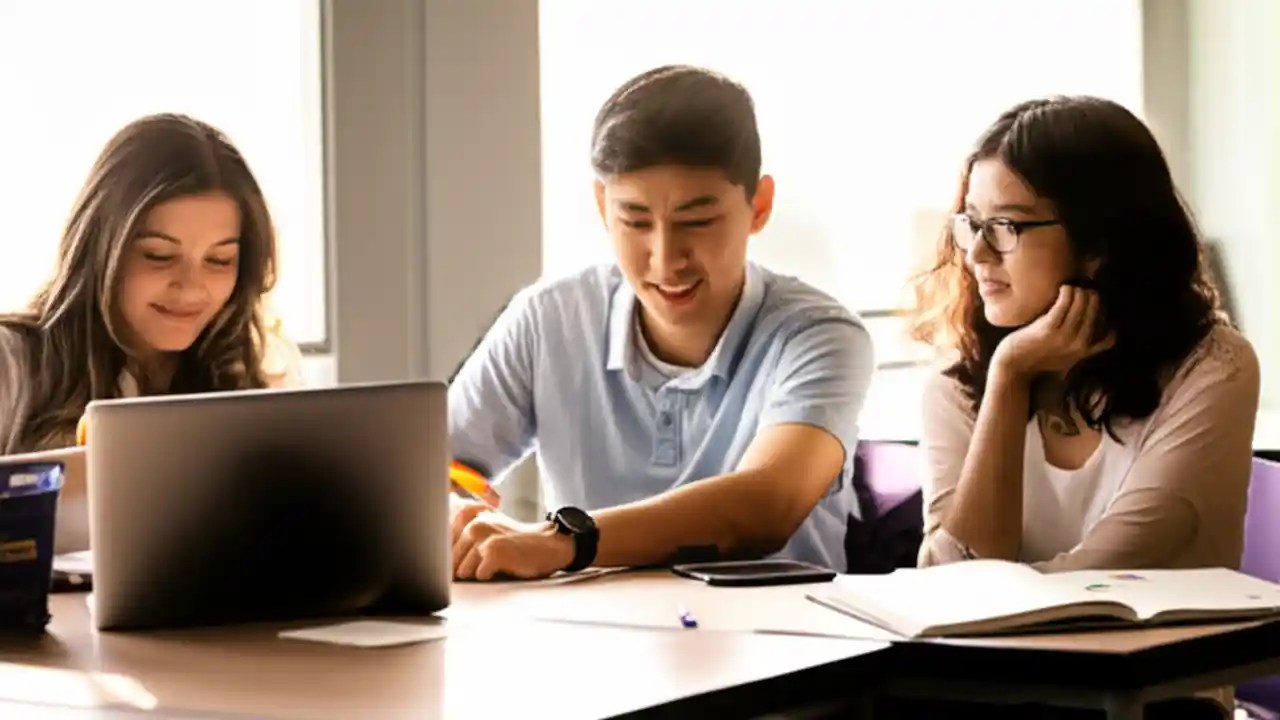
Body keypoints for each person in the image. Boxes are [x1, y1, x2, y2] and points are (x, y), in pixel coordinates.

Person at [448, 65, 874, 581]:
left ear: (758, 206)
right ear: (603, 207)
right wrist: (461, 516)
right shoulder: (547, 318)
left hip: (782, 642)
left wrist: (563, 540)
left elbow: (766, 505)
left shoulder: (820, 336)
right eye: (635, 221)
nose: (665, 258)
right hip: (587, 638)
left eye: (697, 221)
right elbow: (433, 469)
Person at [906, 96, 1258, 719]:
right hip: (994, 690)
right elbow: (953, 577)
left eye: (1007, 226)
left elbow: (1118, 568)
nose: (978, 254)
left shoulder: (1213, 364)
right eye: (971, 223)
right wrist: (1010, 379)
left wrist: (977, 608)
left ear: (1099, 243)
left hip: (1156, 700)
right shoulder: (960, 383)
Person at [0, 113, 303, 547]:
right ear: (101, 249)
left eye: (219, 261)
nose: (191, 287)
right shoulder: (11, 364)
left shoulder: (258, 370)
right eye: (159, 256)